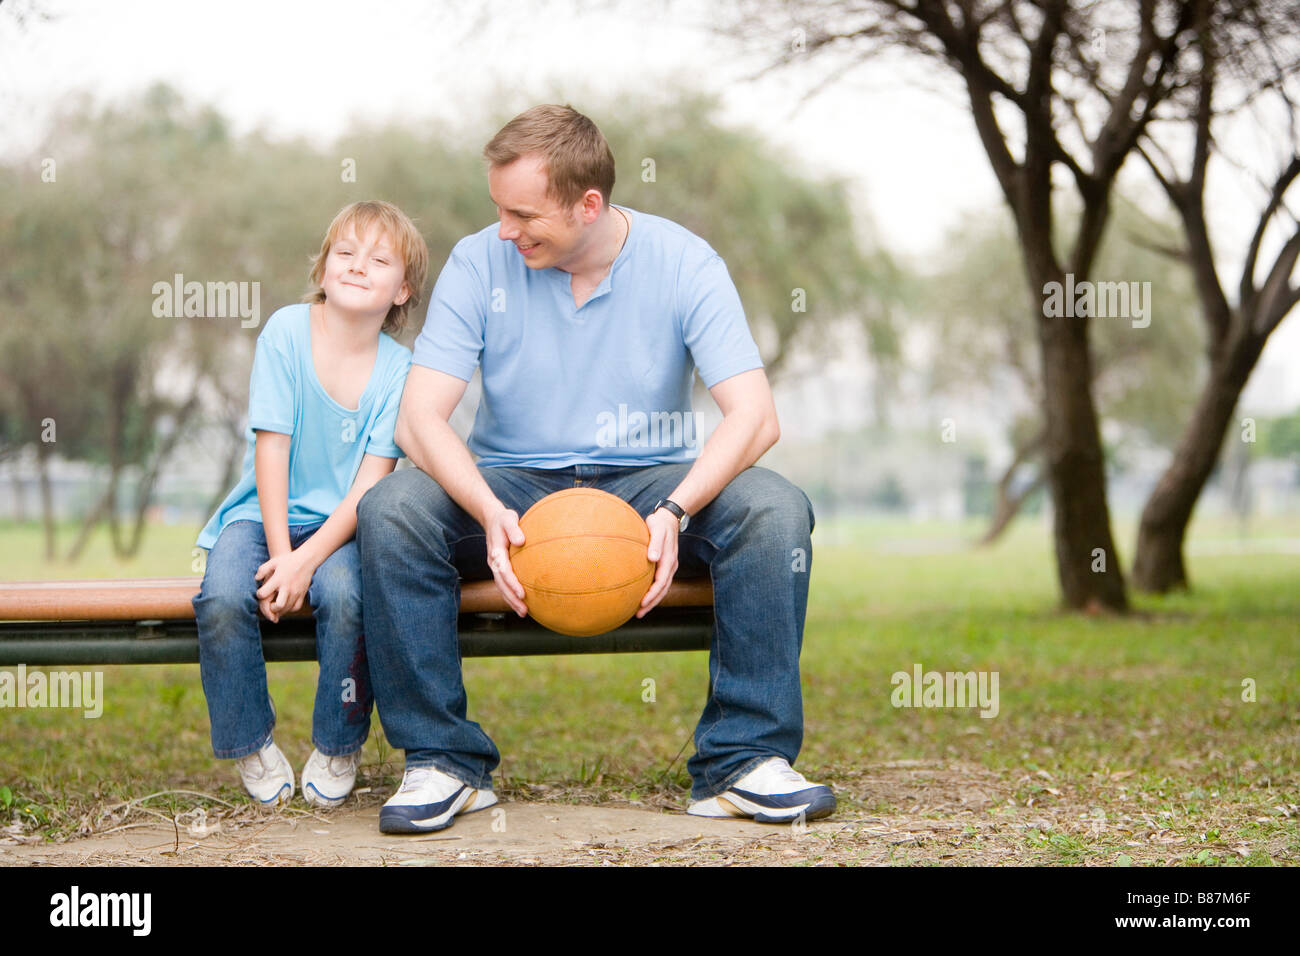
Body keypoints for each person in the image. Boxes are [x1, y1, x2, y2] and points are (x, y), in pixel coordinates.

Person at [357, 105, 834, 834]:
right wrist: (486, 508)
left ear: (589, 205)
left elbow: (755, 418)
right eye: (499, 209)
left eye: (524, 214)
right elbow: (418, 418)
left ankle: (743, 762)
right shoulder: (480, 260)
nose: (506, 229)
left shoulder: (684, 261)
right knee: (392, 510)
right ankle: (442, 761)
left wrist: (676, 509)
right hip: (513, 480)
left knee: (774, 511)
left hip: (652, 480)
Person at [193, 200, 425, 808]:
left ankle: (338, 740)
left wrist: (306, 562)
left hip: (342, 527)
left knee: (350, 597)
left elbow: (371, 484)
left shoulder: (402, 370)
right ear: (323, 269)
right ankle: (249, 739)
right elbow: (272, 449)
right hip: (260, 515)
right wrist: (280, 555)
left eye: (377, 260)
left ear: (402, 289)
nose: (356, 266)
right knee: (220, 596)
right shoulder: (287, 332)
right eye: (344, 253)